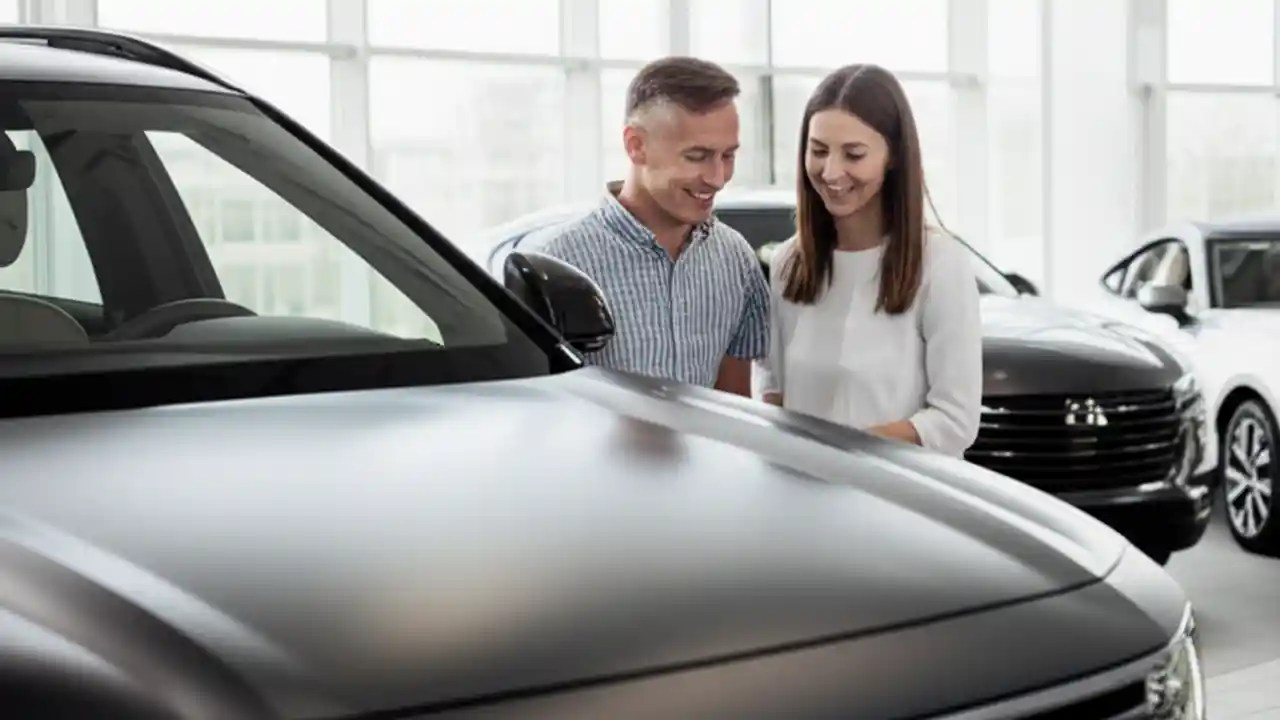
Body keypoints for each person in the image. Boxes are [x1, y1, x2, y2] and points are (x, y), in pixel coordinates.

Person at [755, 64, 982, 456]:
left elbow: (955, 421)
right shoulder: (790, 262)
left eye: (854, 154)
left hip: (899, 502)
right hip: (805, 497)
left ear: (893, 155)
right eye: (819, 151)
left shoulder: (941, 264)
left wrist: (845, 451)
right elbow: (773, 387)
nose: (830, 172)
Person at [531, 56, 768, 397]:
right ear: (636, 145)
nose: (718, 178)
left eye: (728, 155)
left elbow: (733, 410)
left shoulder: (736, 259)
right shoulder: (558, 263)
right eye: (697, 156)